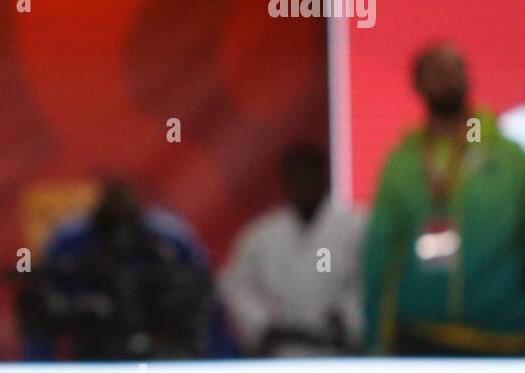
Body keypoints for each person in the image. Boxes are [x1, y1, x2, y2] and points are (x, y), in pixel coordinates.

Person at [363, 42, 525, 355]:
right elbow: (382, 253)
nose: (446, 79)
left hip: (502, 337)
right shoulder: (402, 162)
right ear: (417, 85)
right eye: (435, 72)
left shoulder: (507, 157)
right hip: (421, 337)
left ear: (468, 78)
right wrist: (376, 337)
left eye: (454, 70)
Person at [17, 179, 233, 360]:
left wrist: (216, 365)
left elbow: (208, 304)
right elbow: (44, 312)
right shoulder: (69, 241)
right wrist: (37, 368)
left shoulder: (170, 240)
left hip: (165, 349)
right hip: (92, 352)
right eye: (112, 227)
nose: (120, 237)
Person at [219, 144, 366, 356]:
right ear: (285, 182)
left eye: (310, 175)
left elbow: (370, 282)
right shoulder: (262, 234)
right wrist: (263, 323)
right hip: (283, 352)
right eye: (296, 176)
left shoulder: (356, 227)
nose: (304, 183)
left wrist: (348, 317)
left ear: (324, 178)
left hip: (339, 351)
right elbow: (235, 284)